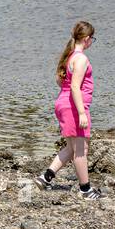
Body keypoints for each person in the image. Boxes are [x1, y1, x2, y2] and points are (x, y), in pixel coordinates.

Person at [36, 21, 102, 199]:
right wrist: (81, 112)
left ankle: (46, 177)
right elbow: (74, 87)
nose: (91, 43)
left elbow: (60, 81)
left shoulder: (69, 57)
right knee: (81, 149)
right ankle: (85, 189)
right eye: (92, 39)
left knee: (71, 147)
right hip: (73, 106)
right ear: (87, 39)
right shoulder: (80, 59)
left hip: (63, 103)